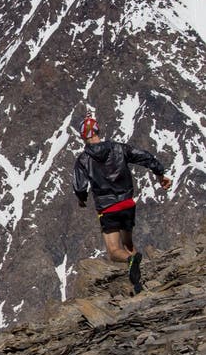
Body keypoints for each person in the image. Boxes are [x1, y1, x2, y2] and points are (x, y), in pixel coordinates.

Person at [73, 114, 171, 292]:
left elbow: (80, 187)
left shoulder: (83, 160)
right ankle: (138, 284)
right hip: (127, 204)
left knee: (114, 250)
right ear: (98, 131)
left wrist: (82, 199)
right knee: (129, 244)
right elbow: (144, 157)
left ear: (82, 137)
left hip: (107, 208)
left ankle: (130, 262)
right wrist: (160, 174)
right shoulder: (118, 148)